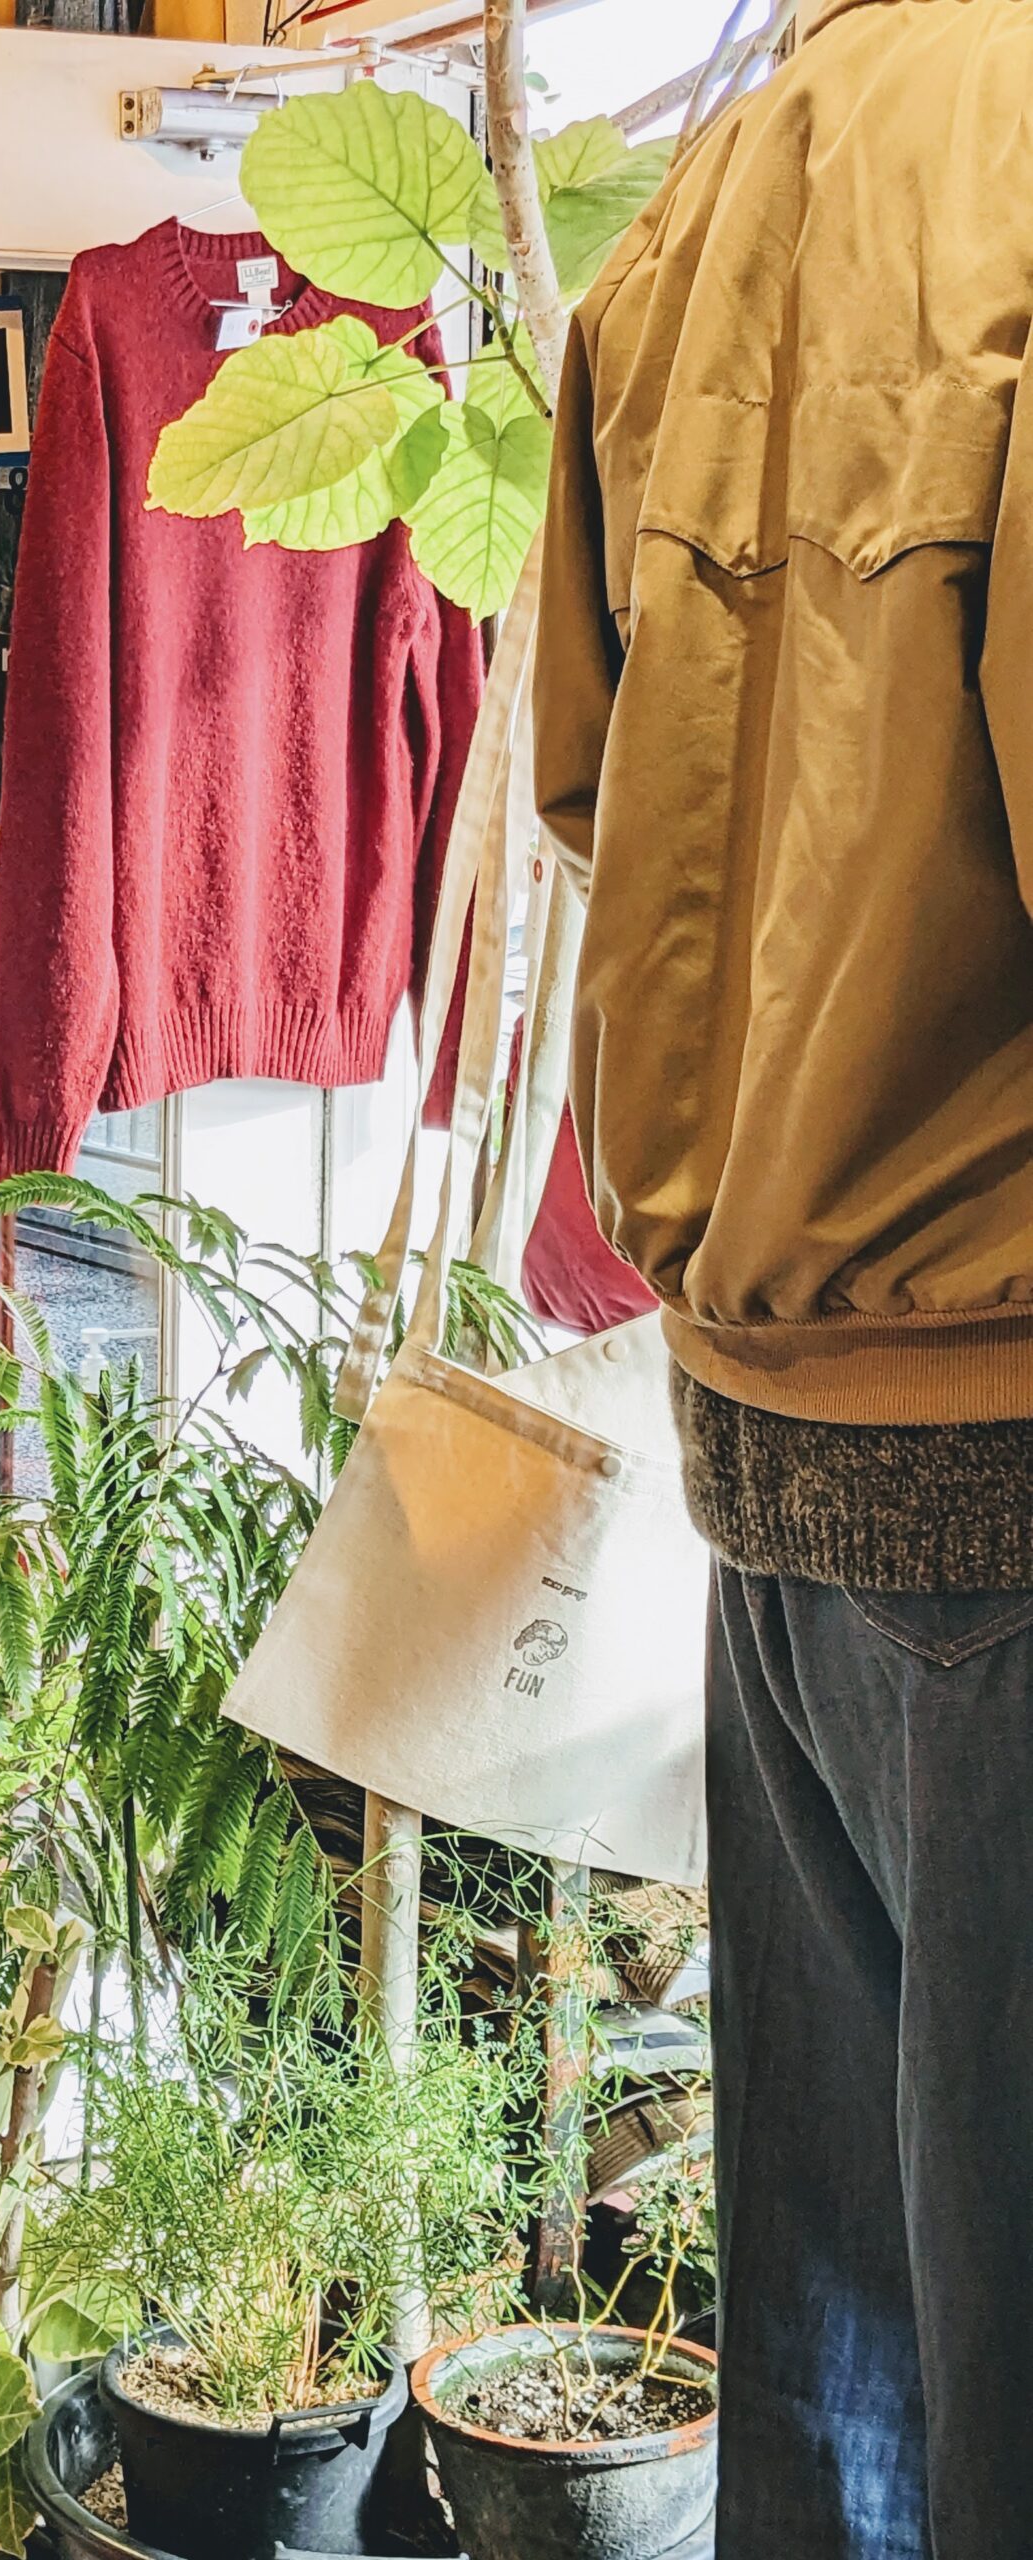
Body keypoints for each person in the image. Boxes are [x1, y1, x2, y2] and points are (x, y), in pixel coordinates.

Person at [535, 2, 1033, 2554]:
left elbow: (579, 788)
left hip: (776, 1424)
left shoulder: (706, 199)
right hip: (1005, 1397)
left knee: (836, 2338)